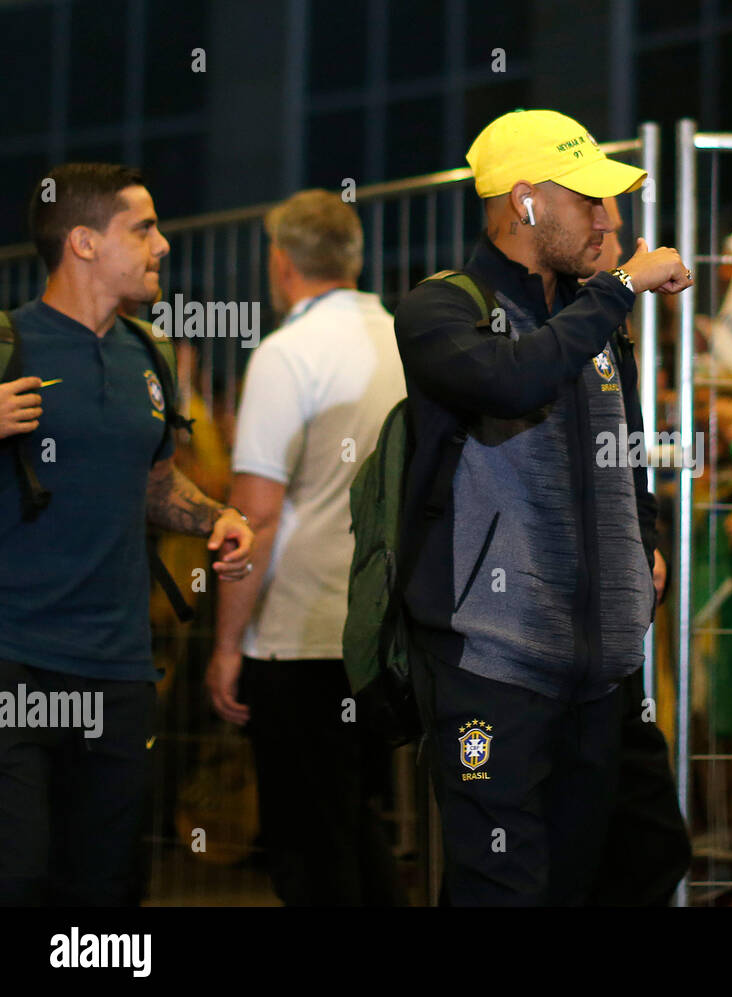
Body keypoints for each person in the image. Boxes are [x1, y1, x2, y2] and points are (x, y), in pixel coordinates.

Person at [393, 109, 692, 905]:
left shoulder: (592, 318)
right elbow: (513, 378)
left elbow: (622, 452)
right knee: (504, 888)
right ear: (525, 202)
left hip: (597, 674)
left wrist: (646, 539)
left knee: (629, 863)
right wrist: (621, 288)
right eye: (590, 200)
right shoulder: (439, 311)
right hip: (493, 672)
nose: (613, 218)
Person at [0, 163, 254, 905]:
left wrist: (217, 516)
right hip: (14, 662)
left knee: (109, 892)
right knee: (17, 880)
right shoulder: (9, 343)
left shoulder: (149, 354)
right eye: (142, 228)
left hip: (119, 672)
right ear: (82, 241)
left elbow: (155, 485)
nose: (163, 245)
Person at [205, 189, 405, 905]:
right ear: (352, 256)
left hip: (298, 635)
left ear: (280, 262)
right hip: (381, 632)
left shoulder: (286, 354)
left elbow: (254, 518)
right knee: (356, 824)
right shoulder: (402, 338)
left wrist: (229, 644)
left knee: (308, 845)